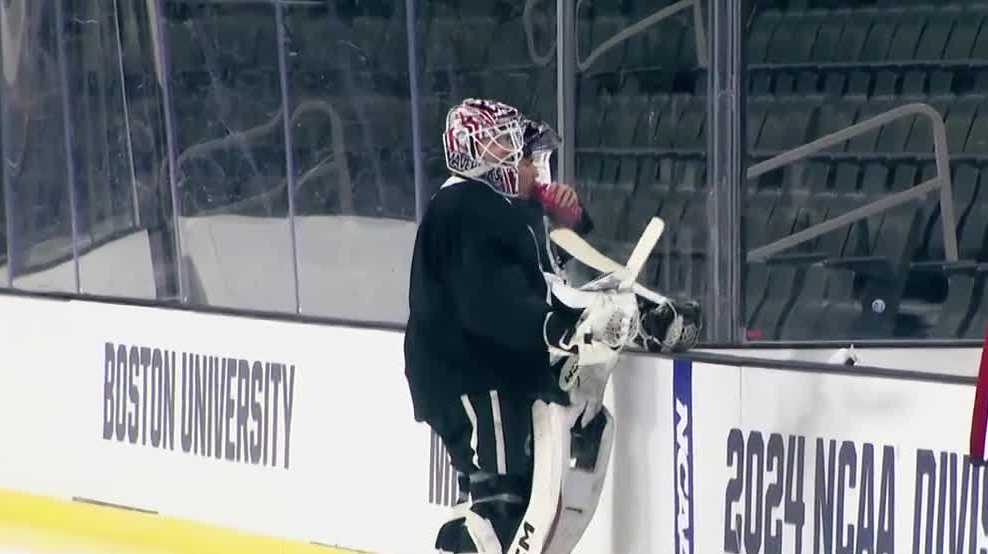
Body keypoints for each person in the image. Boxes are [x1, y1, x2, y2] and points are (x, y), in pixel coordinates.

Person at [404, 98, 700, 553]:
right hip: (472, 375)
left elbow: (544, 283)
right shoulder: (466, 205)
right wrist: (554, 328)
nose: (526, 162)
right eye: (514, 148)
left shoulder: (493, 210)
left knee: (514, 500)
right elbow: (491, 301)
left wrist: (569, 227)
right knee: (500, 503)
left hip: (482, 373)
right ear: (476, 149)